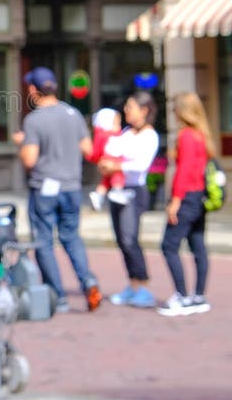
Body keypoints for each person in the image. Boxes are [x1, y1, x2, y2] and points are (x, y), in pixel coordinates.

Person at [14, 66, 102, 314]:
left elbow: (30, 160)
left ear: (33, 89)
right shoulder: (73, 114)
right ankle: (88, 281)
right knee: (72, 237)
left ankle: (58, 296)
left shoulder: (34, 120)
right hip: (72, 186)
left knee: (43, 241)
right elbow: (88, 149)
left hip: (44, 188)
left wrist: (22, 144)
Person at [99, 90, 159, 308]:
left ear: (144, 110)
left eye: (130, 107)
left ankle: (142, 284)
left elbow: (140, 165)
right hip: (118, 189)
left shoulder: (149, 136)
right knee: (121, 239)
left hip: (134, 191)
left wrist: (116, 165)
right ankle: (132, 283)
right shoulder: (125, 133)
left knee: (129, 238)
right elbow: (111, 151)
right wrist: (107, 163)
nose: (126, 111)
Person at [157, 92, 214, 316]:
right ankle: (198, 296)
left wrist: (175, 201)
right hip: (199, 195)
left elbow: (184, 171)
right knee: (197, 244)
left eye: (174, 108)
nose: (172, 113)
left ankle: (181, 295)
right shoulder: (202, 135)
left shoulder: (187, 136)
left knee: (169, 245)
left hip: (187, 196)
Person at [87, 107, 127, 211]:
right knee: (117, 176)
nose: (118, 127)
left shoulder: (100, 135)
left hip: (105, 161)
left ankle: (98, 195)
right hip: (113, 161)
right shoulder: (109, 135)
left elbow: (95, 152)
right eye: (116, 124)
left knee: (105, 181)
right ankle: (117, 191)